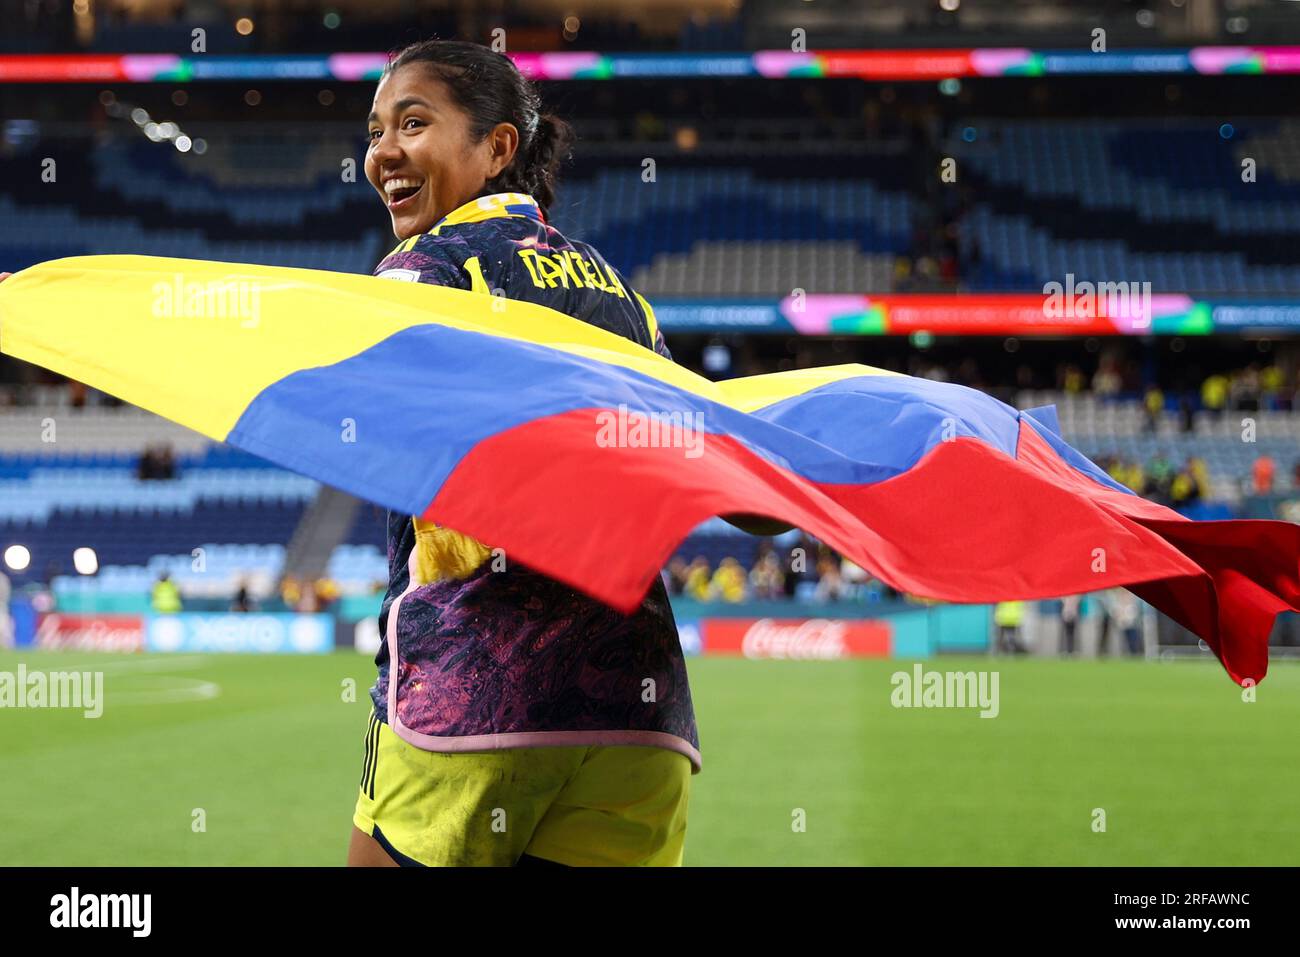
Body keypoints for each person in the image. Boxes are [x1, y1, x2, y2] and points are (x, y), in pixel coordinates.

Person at [347, 40, 724, 868]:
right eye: (375, 130)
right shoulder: (617, 289)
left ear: (498, 147)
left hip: (470, 703)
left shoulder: (425, 268)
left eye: (413, 122)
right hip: (638, 715)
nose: (383, 153)